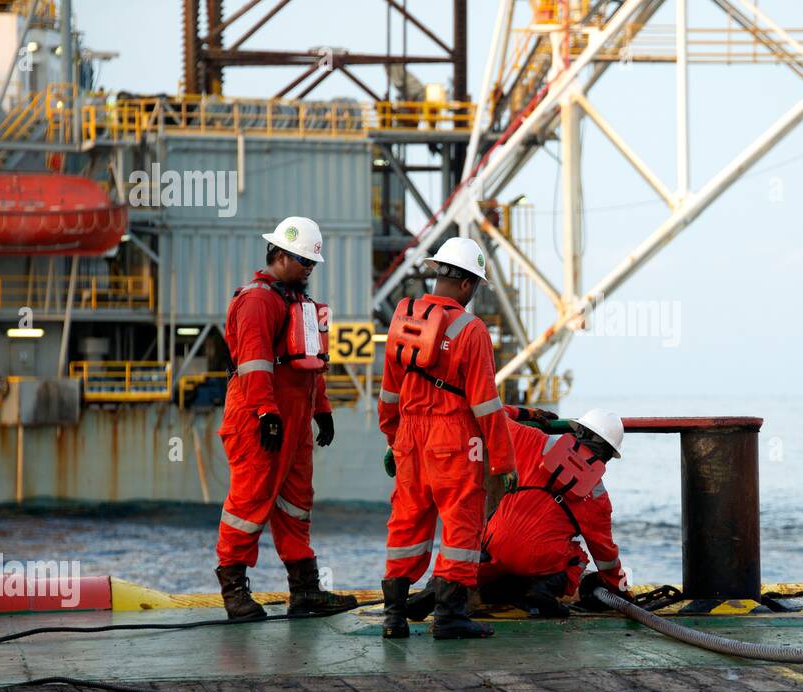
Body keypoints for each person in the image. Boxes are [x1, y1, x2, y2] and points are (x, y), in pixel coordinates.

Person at [215, 216, 357, 620]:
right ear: (279, 256)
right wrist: (265, 412)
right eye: (303, 262)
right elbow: (255, 363)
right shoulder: (257, 301)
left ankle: (305, 591)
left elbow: (312, 365)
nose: (309, 269)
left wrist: (322, 410)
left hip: (293, 421)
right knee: (249, 503)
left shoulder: (300, 304)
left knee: (296, 504)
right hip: (259, 419)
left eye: (312, 263)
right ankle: (234, 591)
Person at [378, 236, 517, 640]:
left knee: (405, 522)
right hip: (452, 439)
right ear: (467, 284)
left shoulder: (402, 317)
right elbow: (486, 406)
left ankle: (394, 617)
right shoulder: (471, 331)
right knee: (461, 523)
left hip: (409, 437)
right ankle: (450, 617)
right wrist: (504, 463)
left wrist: (393, 439)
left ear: (438, 274)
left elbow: (389, 393)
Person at [477, 407, 632, 617]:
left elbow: (492, 414)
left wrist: (528, 413)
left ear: (578, 432)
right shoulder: (597, 497)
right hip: (540, 560)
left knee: (488, 550)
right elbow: (605, 556)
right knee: (578, 557)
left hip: (493, 547)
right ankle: (542, 592)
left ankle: (447, 587)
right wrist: (621, 591)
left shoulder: (530, 439)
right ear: (606, 454)